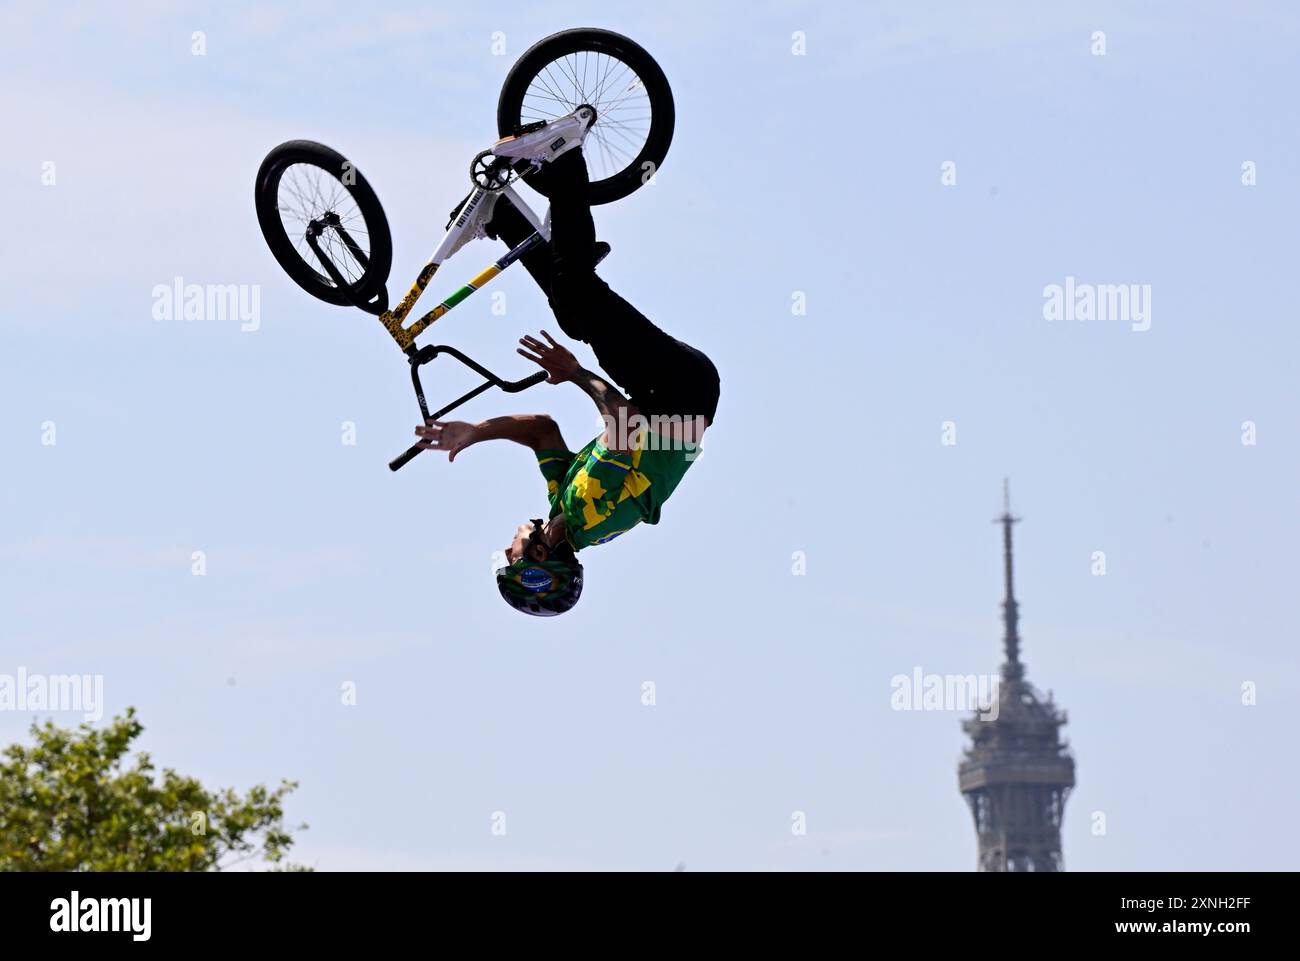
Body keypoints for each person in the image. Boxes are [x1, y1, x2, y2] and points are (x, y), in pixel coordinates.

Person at [415, 124, 720, 616]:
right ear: (538, 555)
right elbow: (623, 422)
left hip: (664, 395)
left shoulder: (565, 511)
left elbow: (542, 431)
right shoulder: (591, 514)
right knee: (577, 296)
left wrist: (474, 432)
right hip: (680, 393)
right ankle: (563, 154)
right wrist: (575, 373)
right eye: (509, 556)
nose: (507, 546)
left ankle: (506, 219)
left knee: (573, 309)